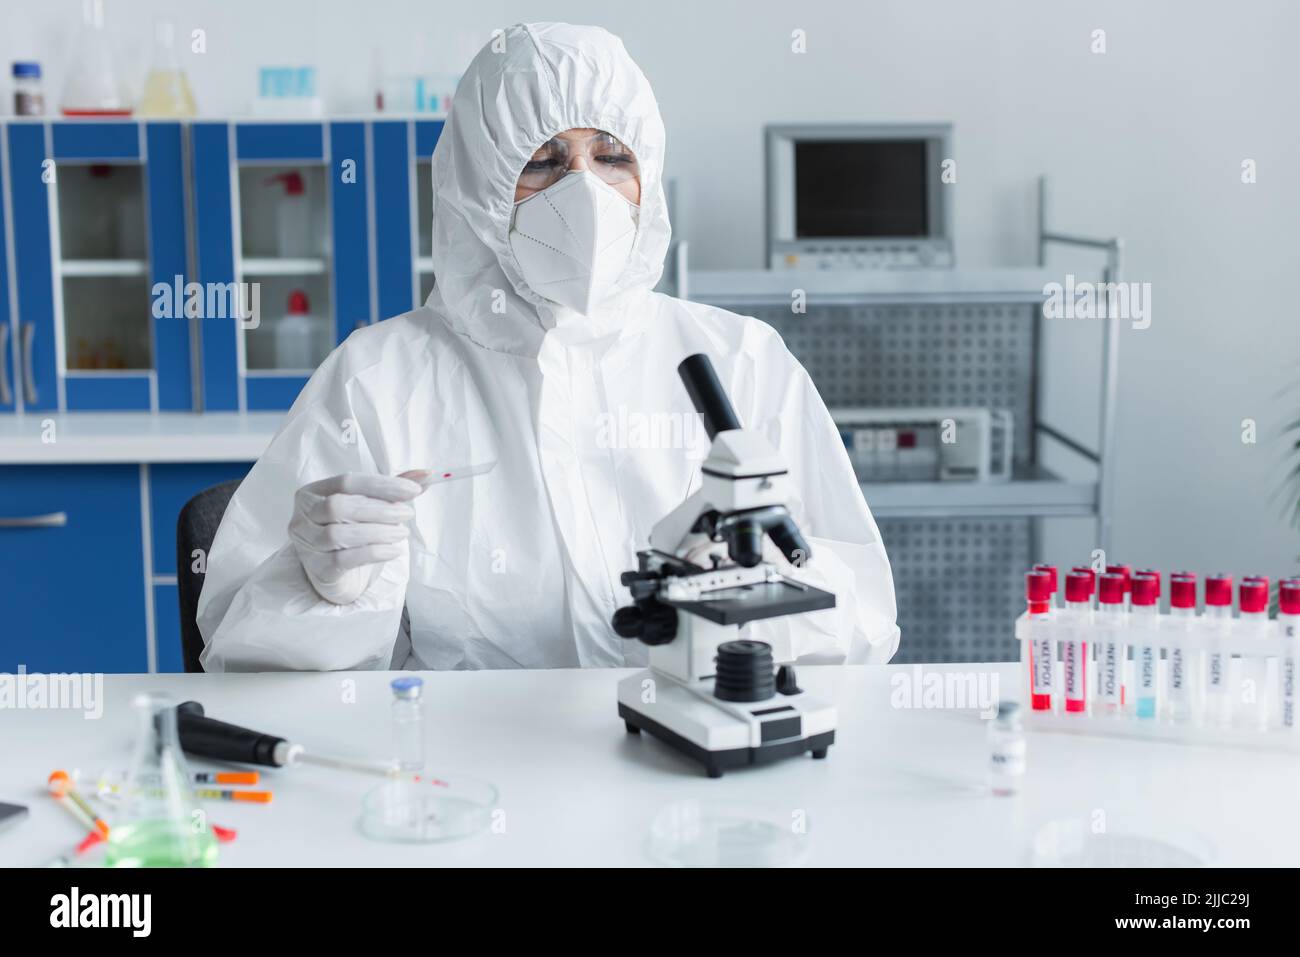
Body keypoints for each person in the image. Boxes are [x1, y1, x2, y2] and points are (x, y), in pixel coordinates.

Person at [197, 22, 899, 672]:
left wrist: (765, 594)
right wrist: (323, 592)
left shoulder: (741, 358)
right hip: (469, 774)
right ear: (478, 184)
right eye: (545, 161)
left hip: (689, 765)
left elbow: (864, 619)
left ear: (645, 181)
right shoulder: (376, 379)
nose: (584, 193)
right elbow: (245, 662)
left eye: (611, 156)